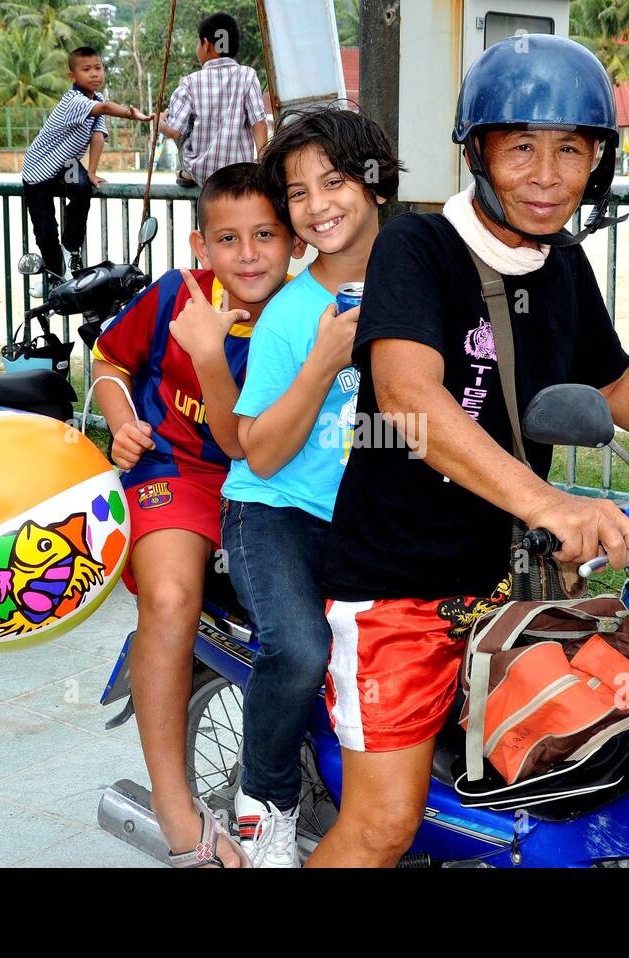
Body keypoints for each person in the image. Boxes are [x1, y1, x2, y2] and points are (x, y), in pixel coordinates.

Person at [309, 35, 629, 868]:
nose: (546, 175)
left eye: (570, 149)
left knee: (593, 761)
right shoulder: (417, 249)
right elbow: (409, 400)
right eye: (521, 148)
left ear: (598, 160)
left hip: (507, 586)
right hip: (397, 591)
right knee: (379, 827)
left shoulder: (562, 262)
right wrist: (551, 502)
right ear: (479, 154)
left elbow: (610, 381)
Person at [90, 162, 304, 868]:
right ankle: (172, 803)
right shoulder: (172, 300)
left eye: (265, 235)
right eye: (229, 238)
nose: (248, 254)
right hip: (176, 471)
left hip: (272, 480)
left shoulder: (307, 315)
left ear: (296, 241)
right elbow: (108, 361)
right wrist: (121, 420)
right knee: (173, 598)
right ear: (199, 247)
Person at [218, 106, 402, 867]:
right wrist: (325, 359)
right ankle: (264, 807)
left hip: (371, 516)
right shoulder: (292, 314)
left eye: (336, 181)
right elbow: (258, 452)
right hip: (276, 511)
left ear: (376, 183)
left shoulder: (418, 277)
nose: (319, 204)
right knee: (299, 650)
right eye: (298, 193)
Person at [22, 46, 152, 291]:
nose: (94, 74)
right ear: (73, 76)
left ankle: (70, 250)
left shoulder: (97, 99)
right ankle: (53, 277)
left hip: (67, 164)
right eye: (86, 69)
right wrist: (131, 114)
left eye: (98, 68)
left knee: (83, 189)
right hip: (39, 169)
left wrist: (91, 172)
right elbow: (103, 110)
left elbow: (98, 136)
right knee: (45, 230)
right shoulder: (74, 101)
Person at [158, 13, 268, 188]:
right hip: (237, 172)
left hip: (202, 173)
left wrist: (159, 122)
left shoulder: (190, 82)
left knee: (180, 120)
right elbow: (259, 123)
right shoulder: (248, 75)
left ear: (207, 44)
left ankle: (187, 173)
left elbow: (174, 132)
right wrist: (262, 164)